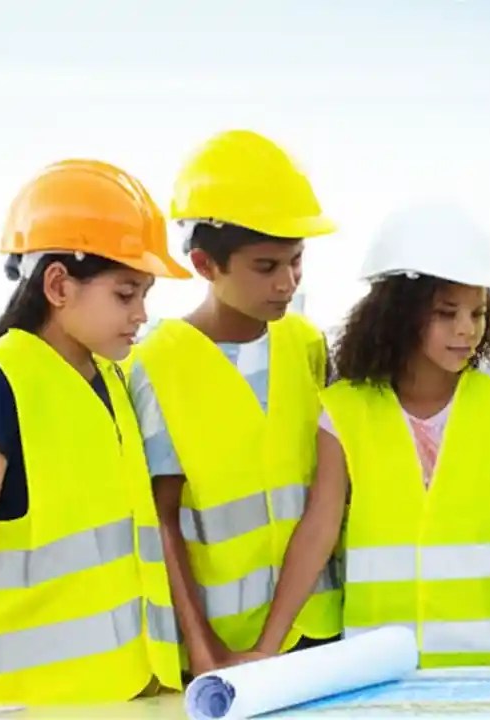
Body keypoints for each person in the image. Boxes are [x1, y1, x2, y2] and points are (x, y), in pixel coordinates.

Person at [250, 201, 490, 668]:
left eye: (477, 313)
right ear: (399, 315)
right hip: (379, 668)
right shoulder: (343, 411)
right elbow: (318, 531)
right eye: (447, 313)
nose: (467, 330)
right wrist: (267, 648)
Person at [0, 159, 190, 704]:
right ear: (59, 285)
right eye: (125, 293)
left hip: (129, 691)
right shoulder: (4, 380)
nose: (140, 314)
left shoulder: (111, 378)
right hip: (30, 701)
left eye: (144, 296)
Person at [126, 130, 343, 676]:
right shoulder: (157, 364)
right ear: (204, 264)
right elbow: (162, 523)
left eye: (297, 261)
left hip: (322, 629)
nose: (287, 282)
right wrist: (203, 651)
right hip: (223, 649)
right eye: (266, 267)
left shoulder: (307, 345)